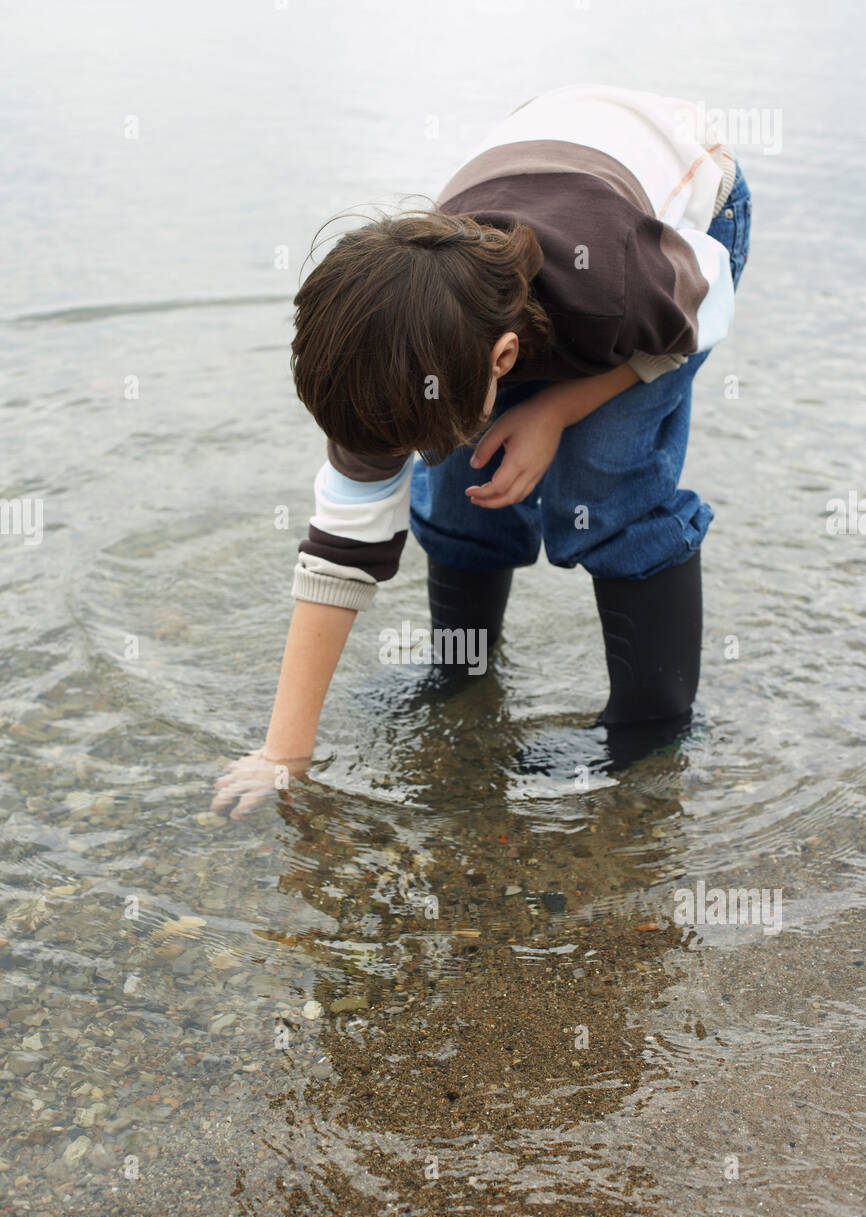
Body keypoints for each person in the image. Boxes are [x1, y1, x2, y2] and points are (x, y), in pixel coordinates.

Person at [212, 83, 751, 818]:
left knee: (604, 478)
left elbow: (707, 304)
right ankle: (461, 668)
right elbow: (341, 546)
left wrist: (560, 409)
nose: (394, 454)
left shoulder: (621, 291)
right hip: (543, 191)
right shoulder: (382, 355)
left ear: (502, 359)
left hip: (686, 225)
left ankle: (650, 726)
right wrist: (284, 754)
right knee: (460, 474)